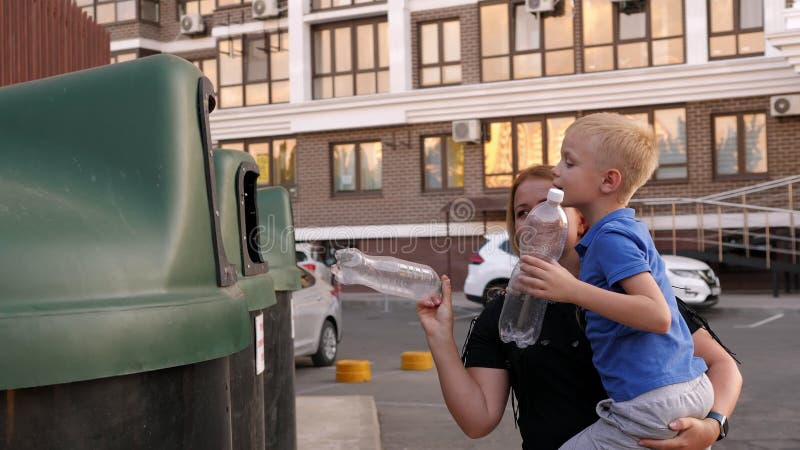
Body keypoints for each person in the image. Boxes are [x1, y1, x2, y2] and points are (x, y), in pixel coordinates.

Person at [416, 164, 742, 449]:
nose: (533, 218)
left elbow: (722, 365)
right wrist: (439, 336)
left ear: (582, 221)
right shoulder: (501, 313)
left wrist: (713, 426)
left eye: (548, 203)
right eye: (521, 211)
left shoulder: (626, 290)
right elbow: (478, 421)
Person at [513, 113, 718, 448]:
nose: (556, 170)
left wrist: (573, 290)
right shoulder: (620, 230)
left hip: (653, 398)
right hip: (681, 385)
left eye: (569, 162)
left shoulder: (611, 237)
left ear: (608, 181)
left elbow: (657, 314)